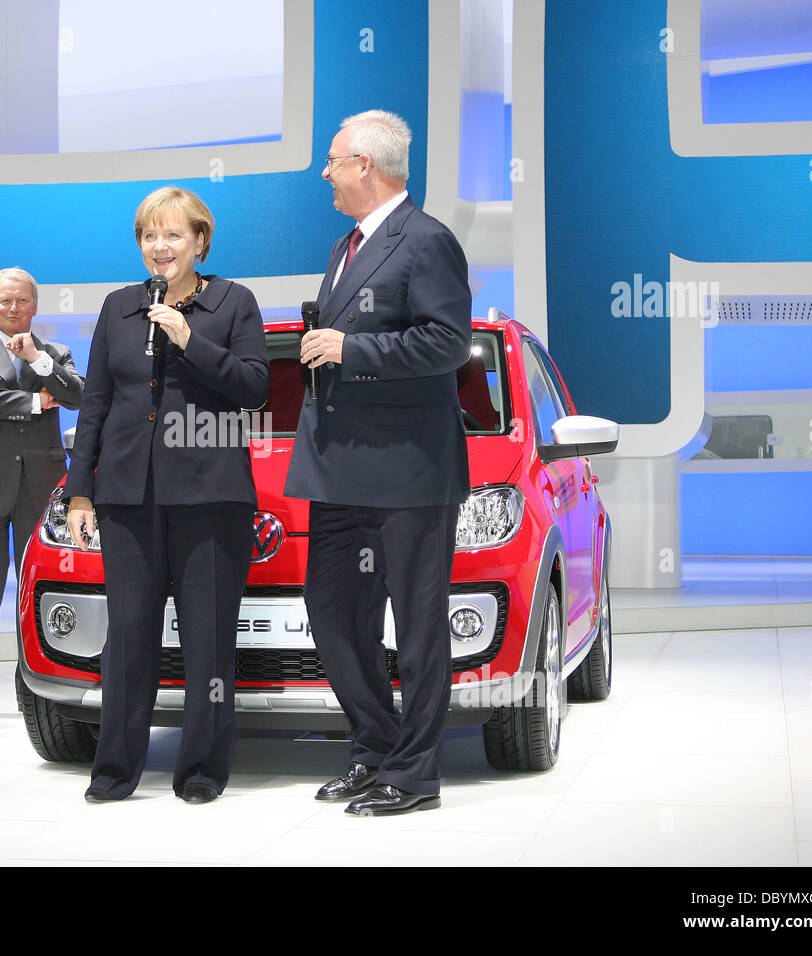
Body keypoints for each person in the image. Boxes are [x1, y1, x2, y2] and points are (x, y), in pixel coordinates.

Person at [284, 110, 472, 816]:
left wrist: (350, 350)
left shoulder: (426, 242)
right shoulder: (345, 245)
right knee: (330, 611)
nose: (324, 173)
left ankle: (416, 773)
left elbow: (448, 342)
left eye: (332, 160)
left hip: (408, 470)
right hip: (340, 471)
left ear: (365, 164)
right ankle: (376, 747)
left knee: (418, 628)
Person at [66, 186, 270, 804]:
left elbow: (254, 389)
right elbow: (96, 402)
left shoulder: (234, 302)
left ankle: (203, 770)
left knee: (208, 641)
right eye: (150, 236)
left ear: (200, 241)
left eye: (174, 235)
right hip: (129, 496)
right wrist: (81, 494)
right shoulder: (118, 307)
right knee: (128, 638)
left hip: (211, 499)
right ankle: (115, 771)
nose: (161, 247)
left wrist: (189, 339)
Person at [0, 267, 84, 717]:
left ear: (35, 305)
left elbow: (79, 396)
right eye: (5, 301)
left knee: (41, 592)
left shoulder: (56, 352)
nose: (13, 308)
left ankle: (47, 685)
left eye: (22, 300)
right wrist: (33, 401)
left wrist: (39, 363)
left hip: (40, 491)